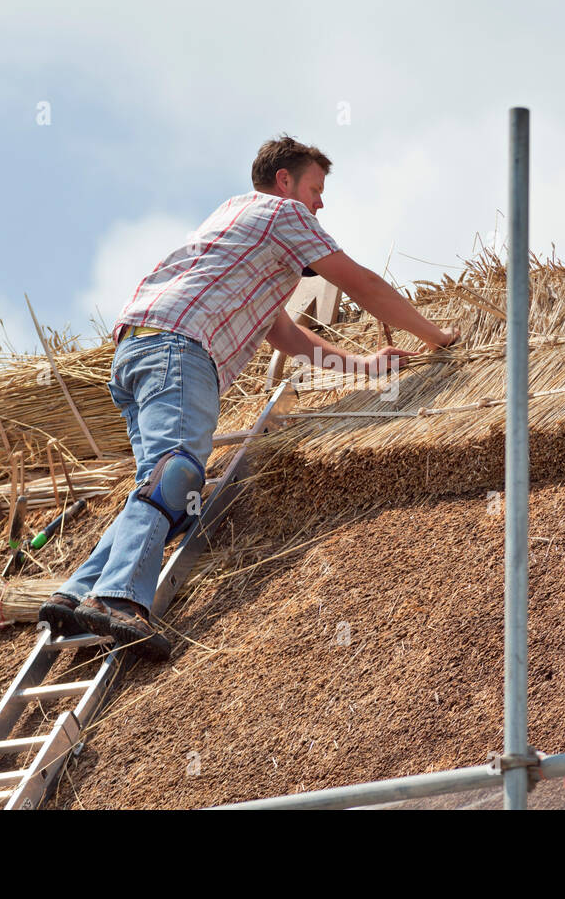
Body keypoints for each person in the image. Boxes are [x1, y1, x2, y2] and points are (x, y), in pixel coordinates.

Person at [39, 134, 460, 660]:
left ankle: (77, 591)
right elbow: (360, 283)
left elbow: (284, 334)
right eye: (315, 187)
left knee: (161, 488)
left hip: (137, 352)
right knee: (178, 474)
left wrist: (363, 368)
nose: (321, 202)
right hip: (181, 351)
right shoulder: (285, 216)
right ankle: (119, 599)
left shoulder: (237, 222)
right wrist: (434, 335)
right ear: (285, 181)